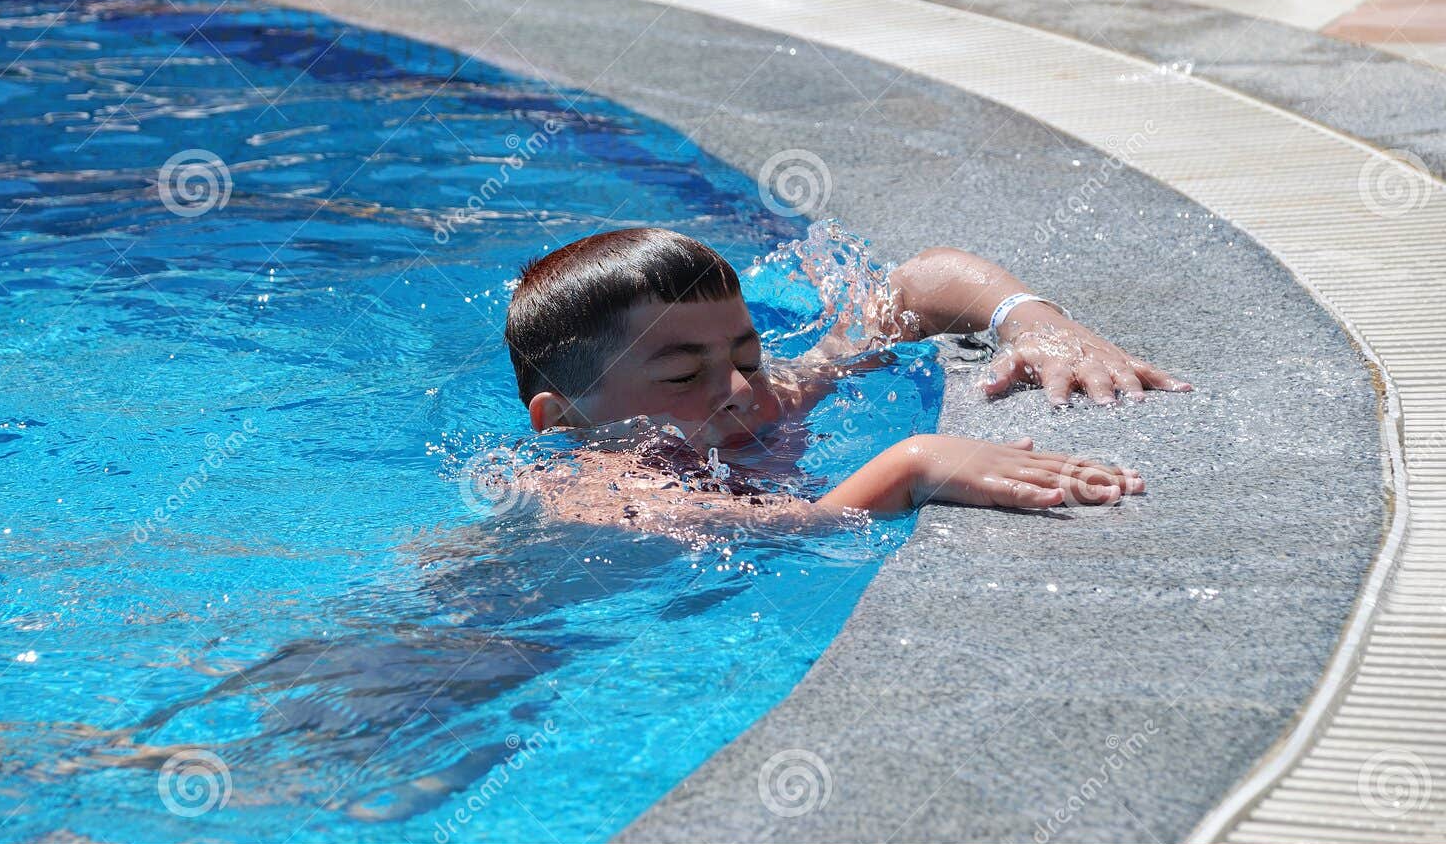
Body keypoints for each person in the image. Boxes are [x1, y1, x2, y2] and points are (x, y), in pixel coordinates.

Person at [501, 227, 1190, 523]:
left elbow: (913, 289)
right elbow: (761, 526)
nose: (741, 389)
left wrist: (1033, 321)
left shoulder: (763, 398)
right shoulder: (584, 486)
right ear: (564, 419)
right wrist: (912, 463)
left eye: (747, 355)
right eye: (684, 375)